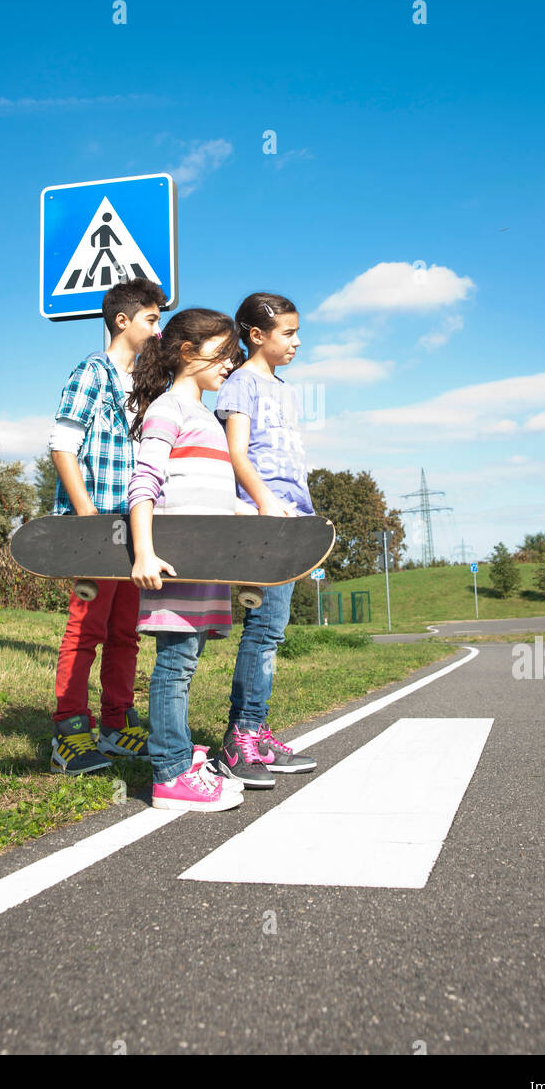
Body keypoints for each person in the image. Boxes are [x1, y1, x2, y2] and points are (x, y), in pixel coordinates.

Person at [128, 308, 247, 812]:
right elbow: (144, 484)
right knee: (173, 666)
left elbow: (215, 494)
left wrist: (259, 510)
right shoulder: (167, 410)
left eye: (233, 355)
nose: (229, 364)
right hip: (173, 562)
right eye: (221, 353)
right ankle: (170, 774)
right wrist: (145, 552)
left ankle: (179, 758)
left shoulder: (208, 419)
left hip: (204, 565)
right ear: (185, 352)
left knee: (187, 661)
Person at [48, 278, 165, 775]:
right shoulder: (91, 371)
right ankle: (70, 730)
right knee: (85, 629)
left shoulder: (140, 381)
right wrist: (87, 517)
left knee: (125, 632)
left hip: (132, 526)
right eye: (152, 319)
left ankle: (117, 725)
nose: (158, 330)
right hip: (95, 524)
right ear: (123, 321)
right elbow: (62, 444)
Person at [213, 292, 318, 784]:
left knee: (273, 629)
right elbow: (236, 453)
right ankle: (240, 739)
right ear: (257, 336)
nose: (297, 341)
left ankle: (253, 727)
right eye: (288, 333)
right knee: (263, 628)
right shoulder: (240, 383)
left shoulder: (286, 389)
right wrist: (264, 502)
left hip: (292, 516)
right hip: (263, 517)